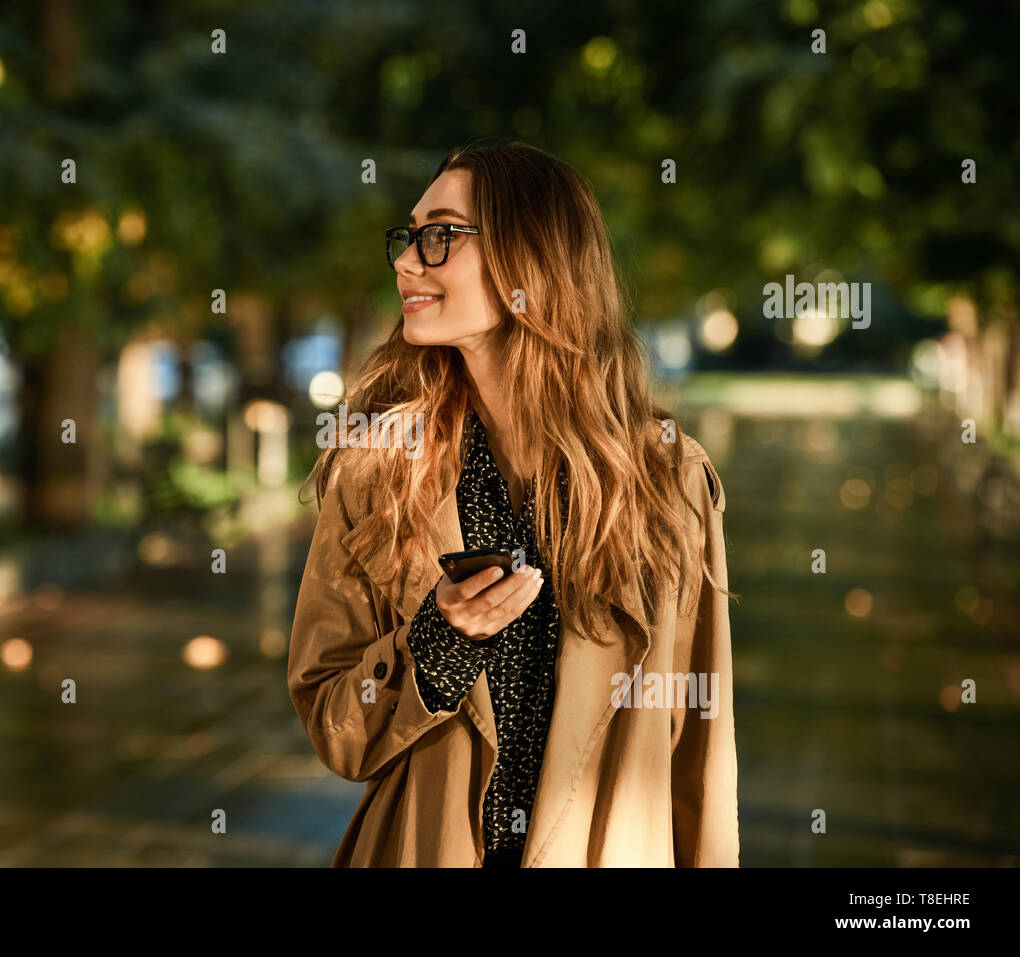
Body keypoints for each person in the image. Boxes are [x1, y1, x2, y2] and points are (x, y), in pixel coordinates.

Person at [288, 140, 738, 867]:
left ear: (532, 259)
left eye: (440, 236)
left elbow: (699, 752)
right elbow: (333, 724)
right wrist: (437, 642)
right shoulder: (377, 467)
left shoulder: (668, 478)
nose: (407, 261)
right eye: (409, 237)